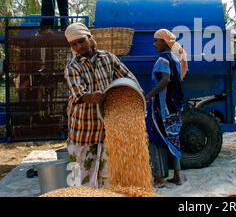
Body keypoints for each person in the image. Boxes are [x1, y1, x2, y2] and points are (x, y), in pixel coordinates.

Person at [64, 22, 139, 187]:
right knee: (81, 179)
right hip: (83, 129)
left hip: (108, 128)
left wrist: (130, 96)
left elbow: (129, 78)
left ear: (90, 38)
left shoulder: (108, 58)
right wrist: (95, 96)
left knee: (108, 176)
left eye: (81, 41)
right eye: (74, 44)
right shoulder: (72, 67)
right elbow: (81, 95)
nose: (78, 46)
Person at [145, 29, 188, 188]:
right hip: (175, 106)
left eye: (156, 40)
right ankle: (177, 176)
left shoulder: (162, 59)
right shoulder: (176, 59)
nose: (154, 43)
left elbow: (165, 80)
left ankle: (159, 179)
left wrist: (148, 96)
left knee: (156, 139)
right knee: (173, 138)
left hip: (163, 107)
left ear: (163, 42)